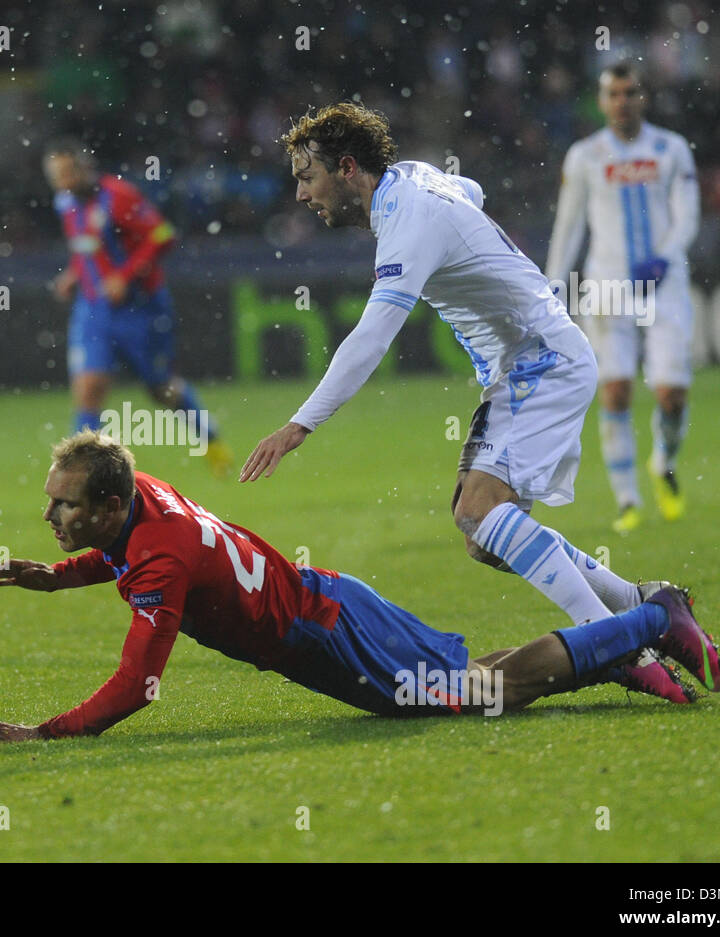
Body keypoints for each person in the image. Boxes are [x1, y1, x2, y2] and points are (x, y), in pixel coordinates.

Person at [237, 102, 695, 702]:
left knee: (479, 512)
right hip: (520, 368)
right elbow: (470, 190)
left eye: (307, 176)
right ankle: (641, 602)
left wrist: (300, 424)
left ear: (348, 168)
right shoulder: (419, 179)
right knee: (484, 537)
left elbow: (373, 336)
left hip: (541, 362)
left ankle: (617, 641)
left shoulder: (407, 219)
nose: (300, 194)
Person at [0, 432, 720, 742]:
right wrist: (61, 576)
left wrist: (43, 733)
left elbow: (134, 685)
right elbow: (127, 556)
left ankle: (652, 618)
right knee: (473, 680)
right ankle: (612, 647)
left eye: (65, 504)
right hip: (331, 600)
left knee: (491, 693)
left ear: (108, 503)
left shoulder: (158, 562)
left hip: (330, 636)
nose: (49, 513)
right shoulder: (145, 503)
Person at [545, 62, 701, 533]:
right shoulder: (585, 155)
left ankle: (664, 463)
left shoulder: (671, 149)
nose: (622, 101)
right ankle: (628, 500)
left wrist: (666, 255)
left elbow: (688, 215)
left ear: (643, 97)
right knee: (615, 389)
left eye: (630, 92)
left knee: (671, 394)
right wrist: (552, 286)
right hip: (607, 286)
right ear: (601, 100)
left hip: (664, 284)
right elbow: (568, 226)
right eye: (613, 93)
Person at [43, 137, 232, 475]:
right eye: (57, 176)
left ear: (85, 168)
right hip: (94, 309)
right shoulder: (64, 203)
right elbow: (88, 246)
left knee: (162, 389)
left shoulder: (118, 196)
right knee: (89, 388)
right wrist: (75, 273)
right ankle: (77, 475)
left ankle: (210, 439)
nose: (65, 182)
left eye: (69, 173)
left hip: (141, 310)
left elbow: (161, 235)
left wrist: (125, 276)